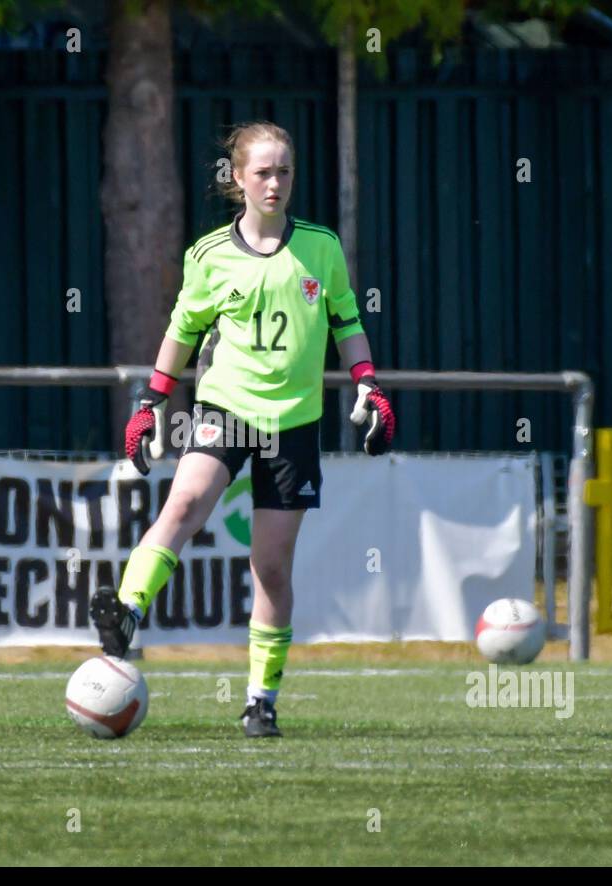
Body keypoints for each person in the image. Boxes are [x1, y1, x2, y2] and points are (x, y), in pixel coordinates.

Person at [90, 121, 395, 737]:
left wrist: (367, 380)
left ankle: (261, 700)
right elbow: (183, 331)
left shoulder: (321, 247)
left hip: (295, 422)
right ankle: (126, 612)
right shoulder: (207, 256)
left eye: (284, 170)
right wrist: (151, 402)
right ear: (238, 179)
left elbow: (346, 320)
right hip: (225, 407)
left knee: (271, 567)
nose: (275, 182)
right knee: (185, 502)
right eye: (262, 172)